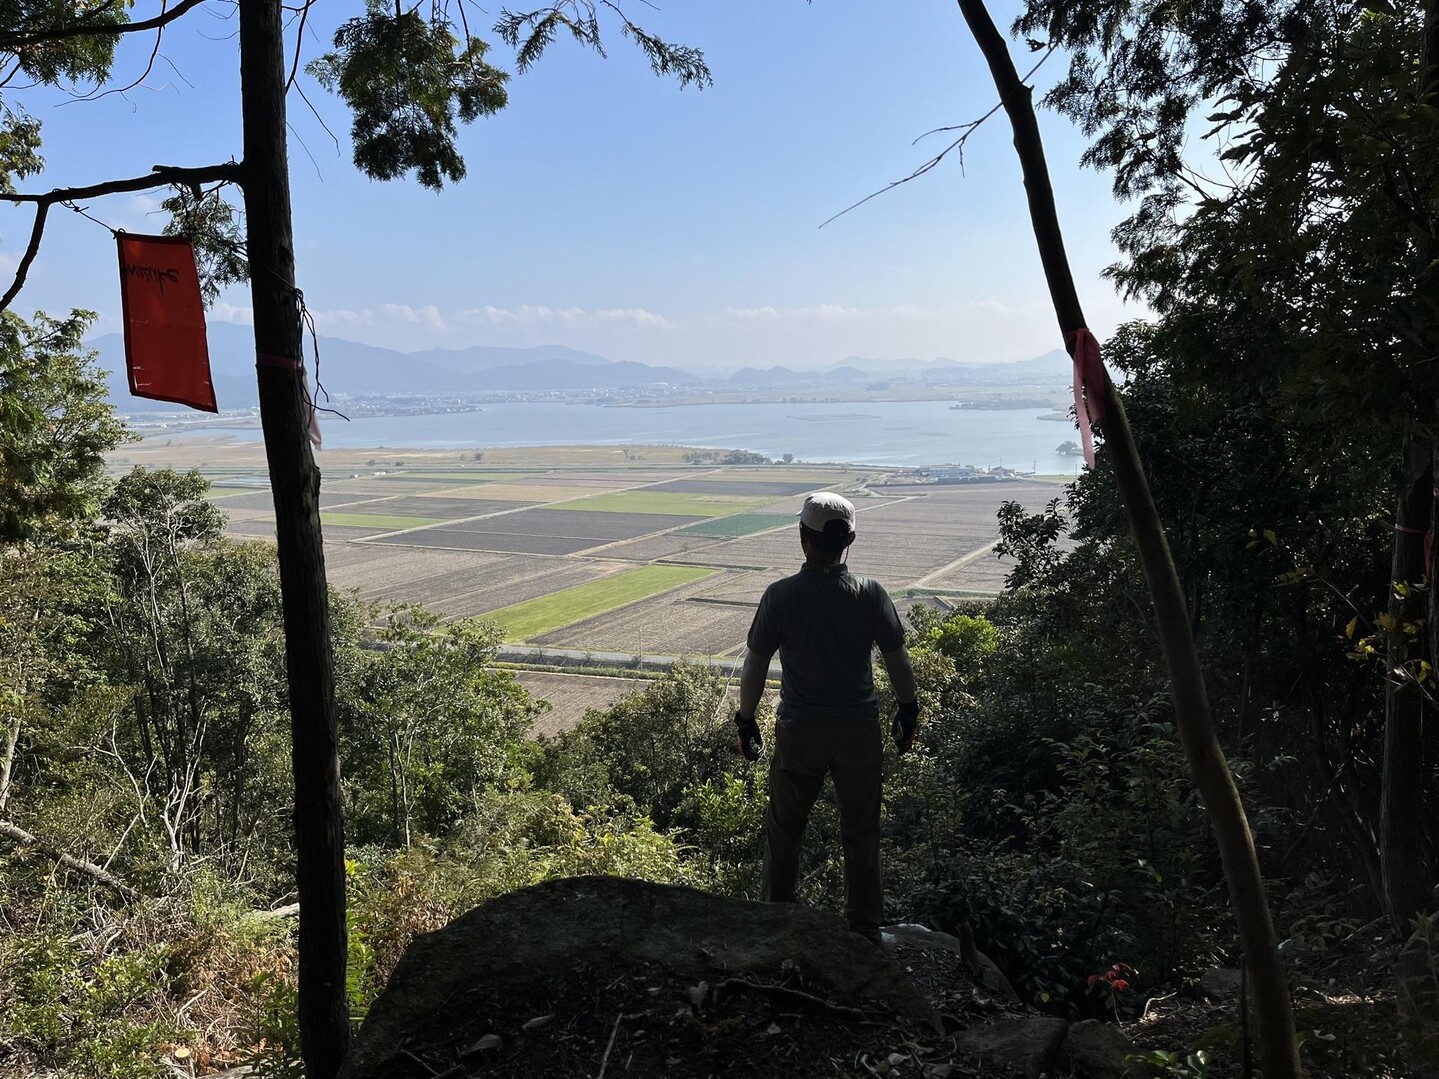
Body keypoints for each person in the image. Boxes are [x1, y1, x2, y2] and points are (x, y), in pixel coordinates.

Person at [733, 491, 920, 943]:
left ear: (803, 537)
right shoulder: (871, 594)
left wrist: (745, 718)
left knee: (784, 831)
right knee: (862, 830)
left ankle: (776, 923)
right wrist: (908, 710)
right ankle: (865, 926)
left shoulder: (780, 596)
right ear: (849, 540)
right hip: (859, 730)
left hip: (800, 731)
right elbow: (897, 660)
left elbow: (756, 663)